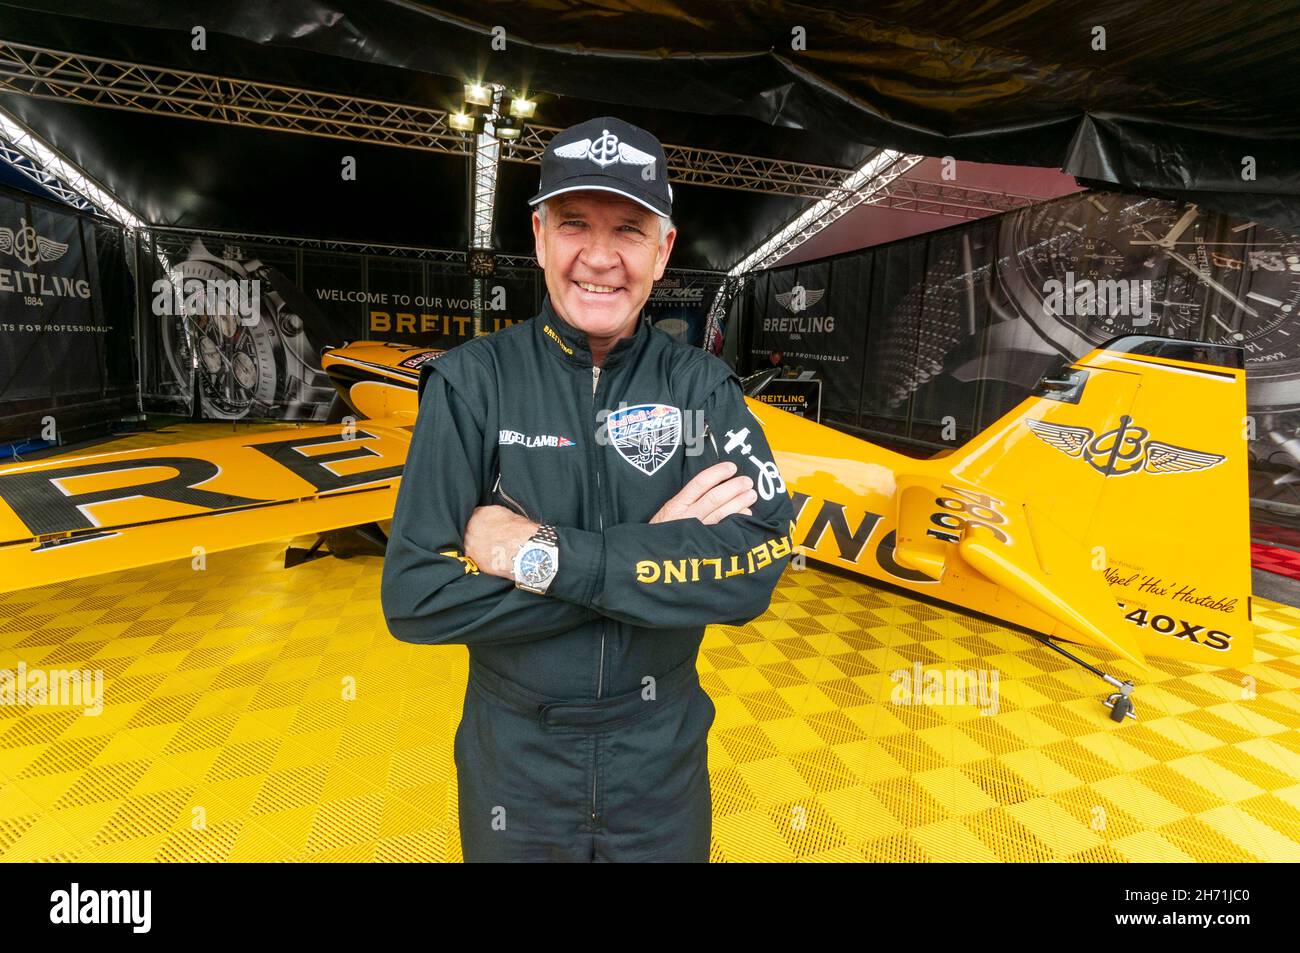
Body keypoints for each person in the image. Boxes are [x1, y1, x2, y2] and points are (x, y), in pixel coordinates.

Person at [381, 116, 795, 863]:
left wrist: (539, 553)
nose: (599, 258)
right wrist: (654, 555)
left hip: (660, 763)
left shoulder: (702, 389)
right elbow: (414, 596)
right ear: (539, 235)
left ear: (663, 250)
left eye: (630, 230)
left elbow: (759, 563)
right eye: (575, 223)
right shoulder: (471, 384)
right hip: (516, 766)